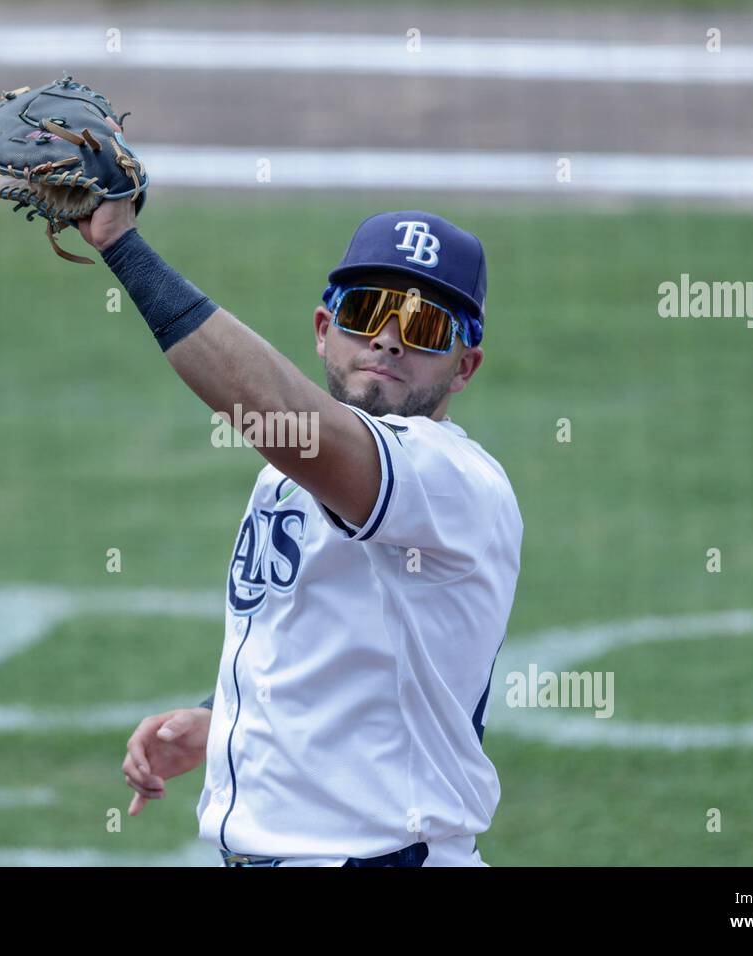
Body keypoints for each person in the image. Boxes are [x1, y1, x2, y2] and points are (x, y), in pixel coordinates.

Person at [77, 201, 523, 867]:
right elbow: (328, 634)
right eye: (367, 311)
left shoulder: (448, 479)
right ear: (324, 329)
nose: (390, 338)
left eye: (427, 325)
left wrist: (121, 246)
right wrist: (224, 718)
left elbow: (287, 418)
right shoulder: (286, 477)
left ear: (464, 367)